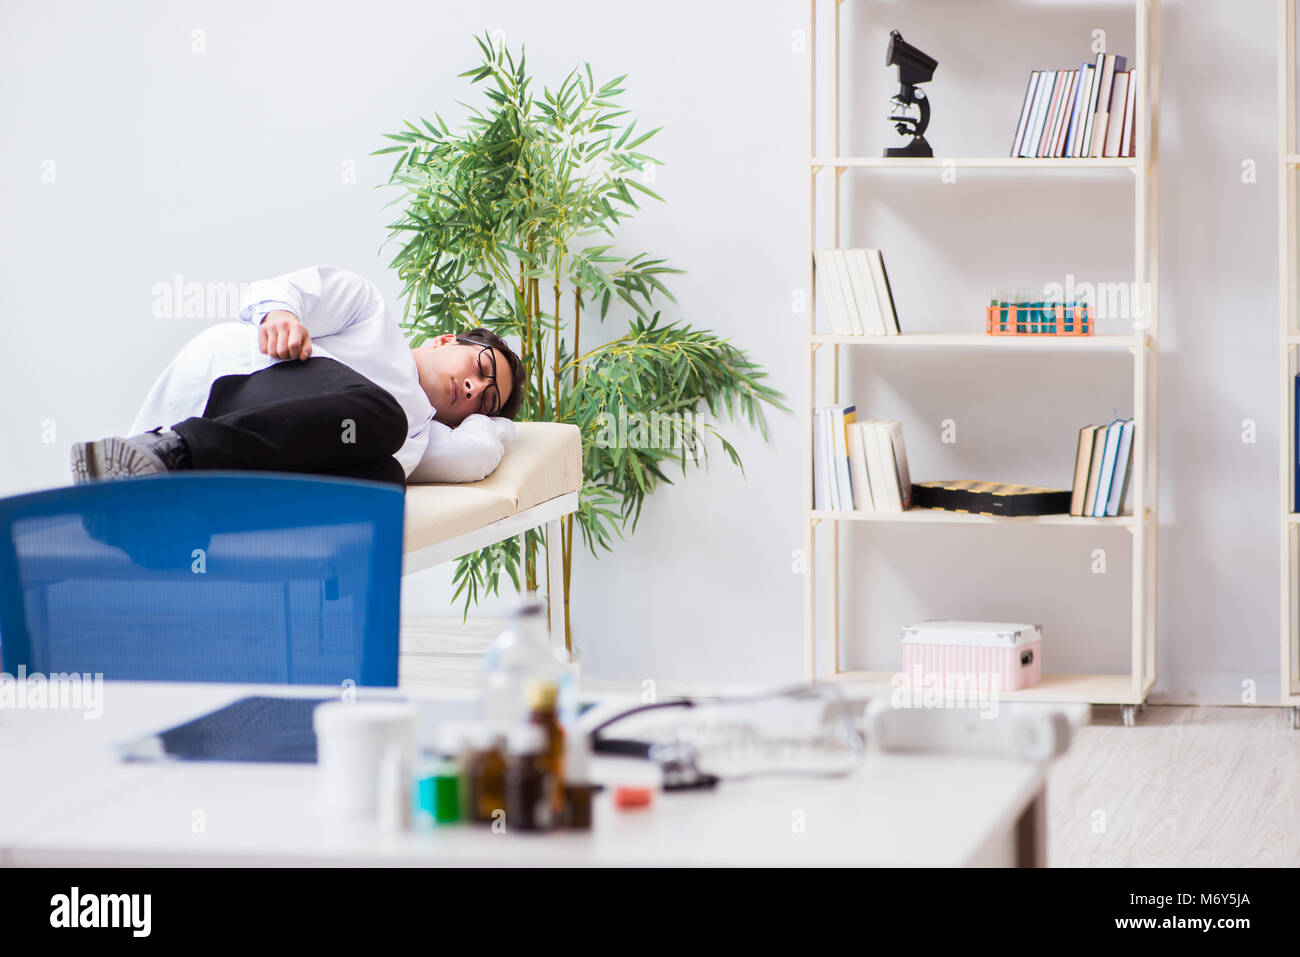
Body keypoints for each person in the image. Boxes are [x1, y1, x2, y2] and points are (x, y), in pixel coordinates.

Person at [70, 265, 525, 490]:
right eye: (481, 368)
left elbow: (480, 454)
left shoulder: (422, 441)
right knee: (386, 421)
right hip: (237, 386)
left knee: (385, 476)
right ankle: (169, 448)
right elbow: (282, 291)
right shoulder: (370, 314)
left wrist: (497, 417)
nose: (474, 389)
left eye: (485, 399)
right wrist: (282, 317)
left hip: (244, 463)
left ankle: (144, 506)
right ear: (446, 341)